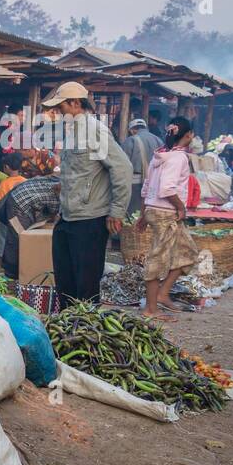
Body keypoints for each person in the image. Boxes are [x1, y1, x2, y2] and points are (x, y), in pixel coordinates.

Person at [41, 81, 133, 307]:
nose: (58, 112)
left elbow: (122, 168)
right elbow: (81, 171)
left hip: (90, 218)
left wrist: (117, 211)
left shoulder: (94, 130)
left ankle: (84, 330)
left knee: (86, 285)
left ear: (74, 104)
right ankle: (67, 329)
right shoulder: (73, 131)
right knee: (65, 281)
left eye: (60, 106)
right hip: (69, 216)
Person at [137, 116, 199, 321]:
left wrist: (143, 213)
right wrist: (181, 207)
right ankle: (151, 309)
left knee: (188, 252)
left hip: (155, 210)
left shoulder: (161, 154)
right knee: (157, 258)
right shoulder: (178, 158)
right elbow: (166, 188)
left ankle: (163, 294)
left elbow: (147, 186)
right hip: (166, 213)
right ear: (188, 135)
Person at [0, 173, 61, 280]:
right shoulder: (60, 193)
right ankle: (12, 274)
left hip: (19, 197)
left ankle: (13, 270)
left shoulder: (58, 179)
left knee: (19, 237)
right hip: (18, 205)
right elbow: (54, 215)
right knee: (18, 237)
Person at [123, 118, 157, 214]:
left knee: (134, 213)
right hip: (154, 183)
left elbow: (122, 163)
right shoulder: (158, 139)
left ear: (133, 130)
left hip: (136, 184)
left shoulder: (131, 140)